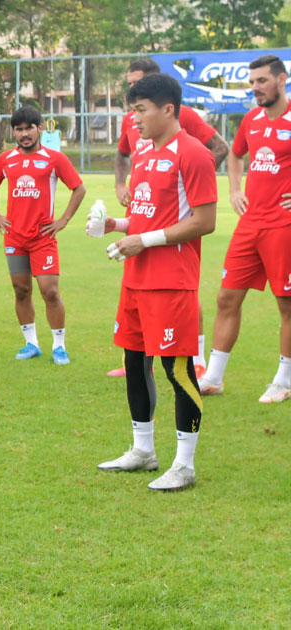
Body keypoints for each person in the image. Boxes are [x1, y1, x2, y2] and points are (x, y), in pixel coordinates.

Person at [94, 73, 216, 491]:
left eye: (140, 109)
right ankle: (143, 451)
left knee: (177, 369)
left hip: (172, 281)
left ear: (167, 109)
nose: (135, 119)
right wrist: (115, 224)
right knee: (134, 362)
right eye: (132, 110)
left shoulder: (194, 154)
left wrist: (142, 239)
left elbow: (204, 222)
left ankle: (185, 464)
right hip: (136, 279)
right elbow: (150, 217)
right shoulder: (144, 153)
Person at [109, 57, 229, 378]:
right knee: (137, 364)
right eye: (130, 84)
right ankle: (137, 357)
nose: (133, 90)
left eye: (138, 84)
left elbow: (218, 149)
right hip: (140, 237)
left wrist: (189, 185)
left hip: (172, 249)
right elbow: (123, 155)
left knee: (178, 358)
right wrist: (120, 195)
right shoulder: (137, 131)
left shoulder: (182, 125)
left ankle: (198, 355)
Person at [200, 55, 291, 403]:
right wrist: (235, 189)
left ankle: (283, 380)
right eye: (252, 82)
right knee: (226, 297)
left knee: (287, 304)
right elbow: (236, 155)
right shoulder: (251, 120)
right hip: (250, 224)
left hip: (284, 225)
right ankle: (214, 377)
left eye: (262, 81)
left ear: (281, 80)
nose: (255, 88)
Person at [0, 105, 86, 364]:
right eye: (18, 129)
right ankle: (31, 343)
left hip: (43, 238)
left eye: (28, 128)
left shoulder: (54, 159)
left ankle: (59, 346)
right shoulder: (6, 159)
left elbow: (79, 188)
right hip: (15, 238)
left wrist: (63, 220)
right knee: (21, 290)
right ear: (13, 133)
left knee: (49, 292)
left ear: (39, 128)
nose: (24, 134)